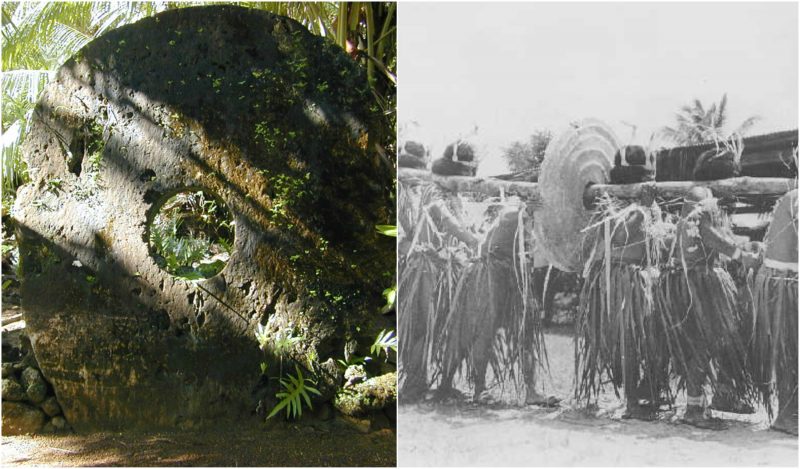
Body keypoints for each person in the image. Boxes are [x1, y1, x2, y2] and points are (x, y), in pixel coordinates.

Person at [576, 147, 670, 420]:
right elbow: (620, 235)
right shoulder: (610, 205)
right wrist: (644, 208)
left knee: (652, 337)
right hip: (618, 280)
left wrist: (650, 209)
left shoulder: (647, 206)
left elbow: (656, 242)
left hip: (641, 278)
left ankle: (648, 389)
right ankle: (631, 401)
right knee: (628, 339)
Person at [656, 186, 759, 429]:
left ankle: (698, 403)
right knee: (705, 343)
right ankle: (694, 409)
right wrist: (742, 256)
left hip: (686, 284)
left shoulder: (685, 215)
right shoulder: (702, 212)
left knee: (701, 344)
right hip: (698, 287)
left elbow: (712, 238)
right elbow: (712, 236)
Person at [435, 200, 556, 406]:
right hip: (490, 277)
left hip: (514, 277)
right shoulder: (511, 213)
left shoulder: (536, 222)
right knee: (481, 332)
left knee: (524, 334)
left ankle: (531, 391)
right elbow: (508, 220)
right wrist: (527, 211)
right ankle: (473, 388)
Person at [397, 144, 479, 403]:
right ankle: (414, 384)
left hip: (451, 269)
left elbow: (461, 224)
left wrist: (472, 241)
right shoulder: (433, 191)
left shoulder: (456, 197)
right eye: (464, 174)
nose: (466, 180)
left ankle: (445, 384)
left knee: (450, 326)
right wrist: (472, 240)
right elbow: (446, 221)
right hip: (426, 267)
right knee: (423, 325)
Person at [751, 188, 798, 435]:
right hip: (786, 283)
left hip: (785, 282)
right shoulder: (797, 198)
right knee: (790, 350)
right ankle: (788, 416)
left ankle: (789, 414)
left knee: (791, 351)